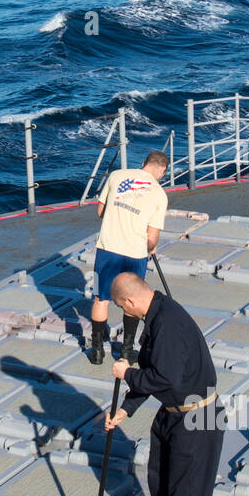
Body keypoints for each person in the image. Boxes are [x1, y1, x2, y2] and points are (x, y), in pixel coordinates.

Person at [105, 272, 222, 496]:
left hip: (199, 416)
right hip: (174, 413)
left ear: (130, 301)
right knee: (161, 481)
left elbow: (163, 377)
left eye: (122, 307)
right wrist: (125, 410)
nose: (123, 313)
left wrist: (127, 374)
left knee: (187, 489)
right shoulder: (157, 316)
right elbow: (156, 370)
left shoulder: (168, 323)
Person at [86, 151, 169, 364]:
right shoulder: (160, 194)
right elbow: (152, 236)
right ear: (162, 171)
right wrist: (151, 247)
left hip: (107, 249)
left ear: (143, 163)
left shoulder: (117, 175)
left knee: (100, 297)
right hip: (135, 253)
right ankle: (126, 351)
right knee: (132, 300)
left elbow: (100, 211)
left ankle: (96, 352)